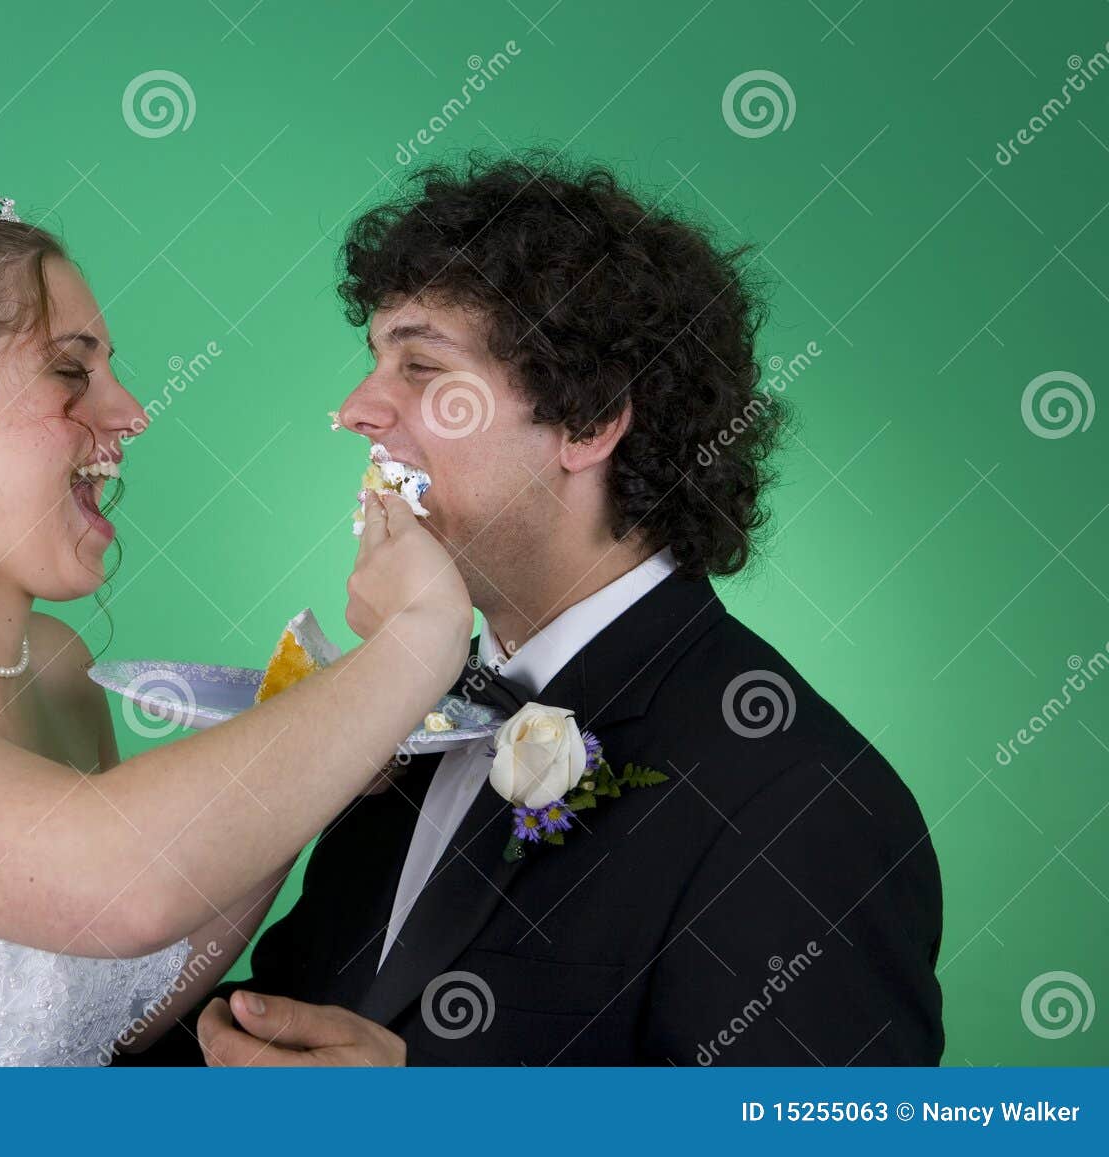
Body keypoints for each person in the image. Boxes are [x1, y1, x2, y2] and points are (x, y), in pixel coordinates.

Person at [131, 154, 945, 1067]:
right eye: (375, 363)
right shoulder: (405, 715)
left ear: (590, 420)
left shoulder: (800, 801)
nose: (356, 409)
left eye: (422, 365)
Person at [0, 153, 471, 1065]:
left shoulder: (54, 667)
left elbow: (108, 1008)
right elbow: (122, 891)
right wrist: (418, 637)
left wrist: (333, 752)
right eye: (71, 370)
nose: (130, 411)